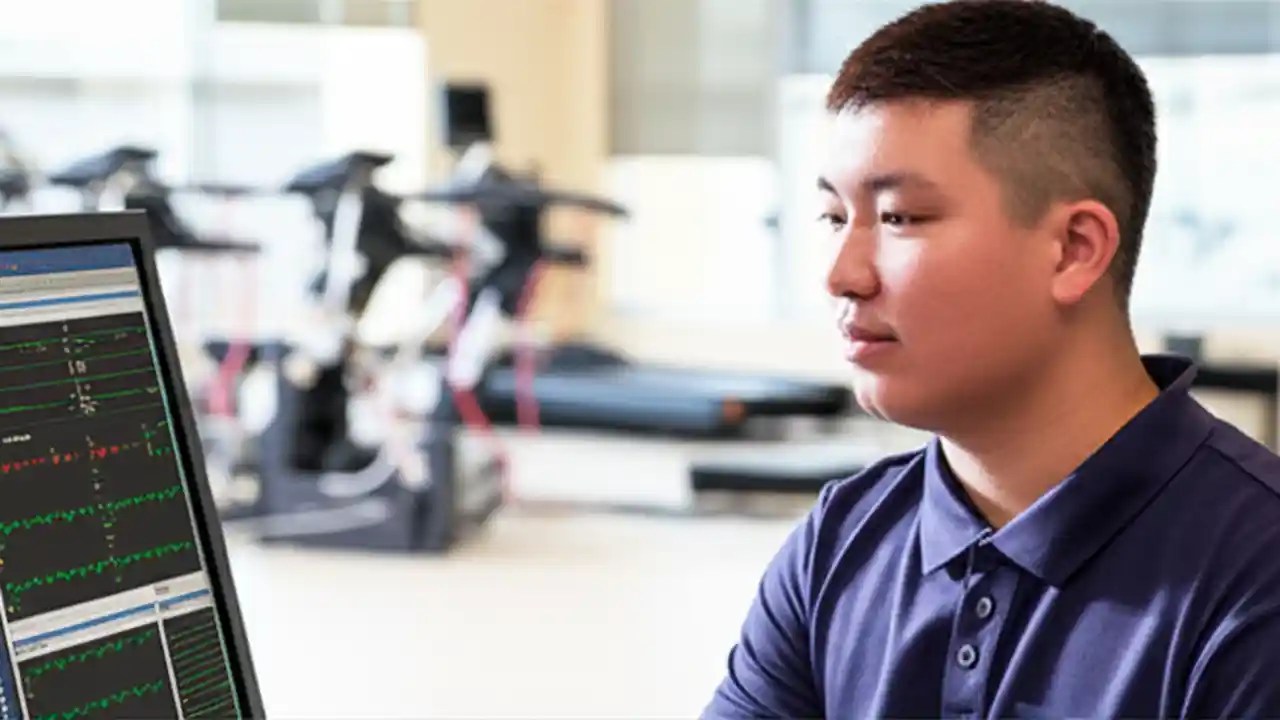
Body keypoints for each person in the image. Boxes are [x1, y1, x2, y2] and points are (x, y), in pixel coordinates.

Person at [704, 1, 1280, 717]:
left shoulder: (1255, 574)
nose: (841, 273)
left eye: (899, 218)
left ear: (1074, 249)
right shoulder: (838, 545)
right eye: (833, 217)